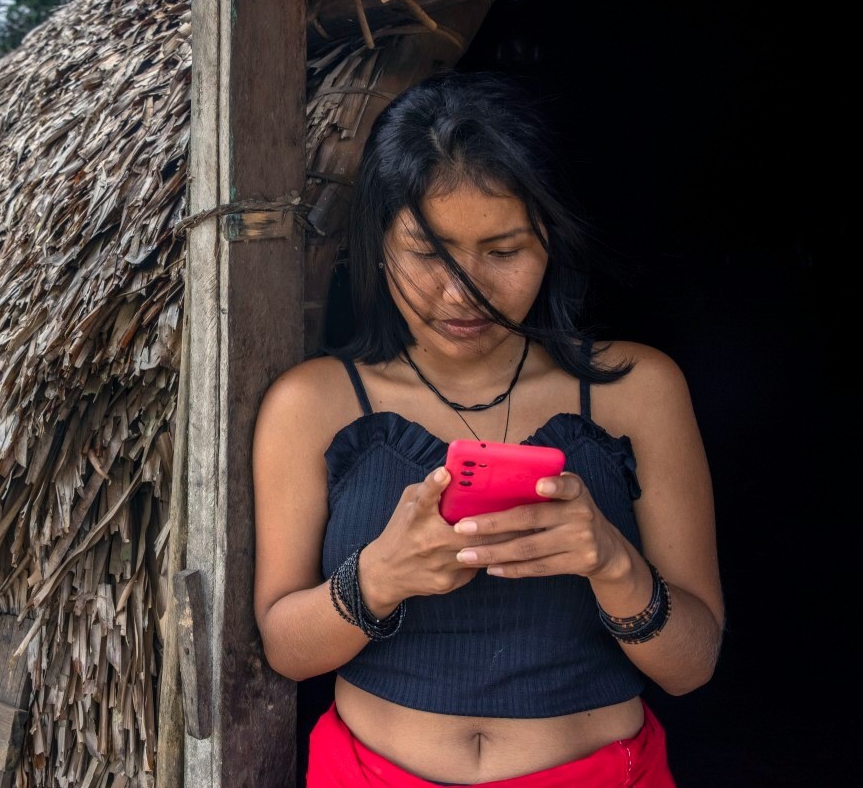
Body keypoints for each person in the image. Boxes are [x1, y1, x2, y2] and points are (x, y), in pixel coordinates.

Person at [252, 70, 724, 786]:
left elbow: (694, 664)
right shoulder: (314, 402)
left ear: (551, 243)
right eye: (429, 253)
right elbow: (285, 646)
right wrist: (379, 577)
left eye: (503, 252)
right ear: (378, 245)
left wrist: (613, 563)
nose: (463, 290)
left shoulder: (637, 390)